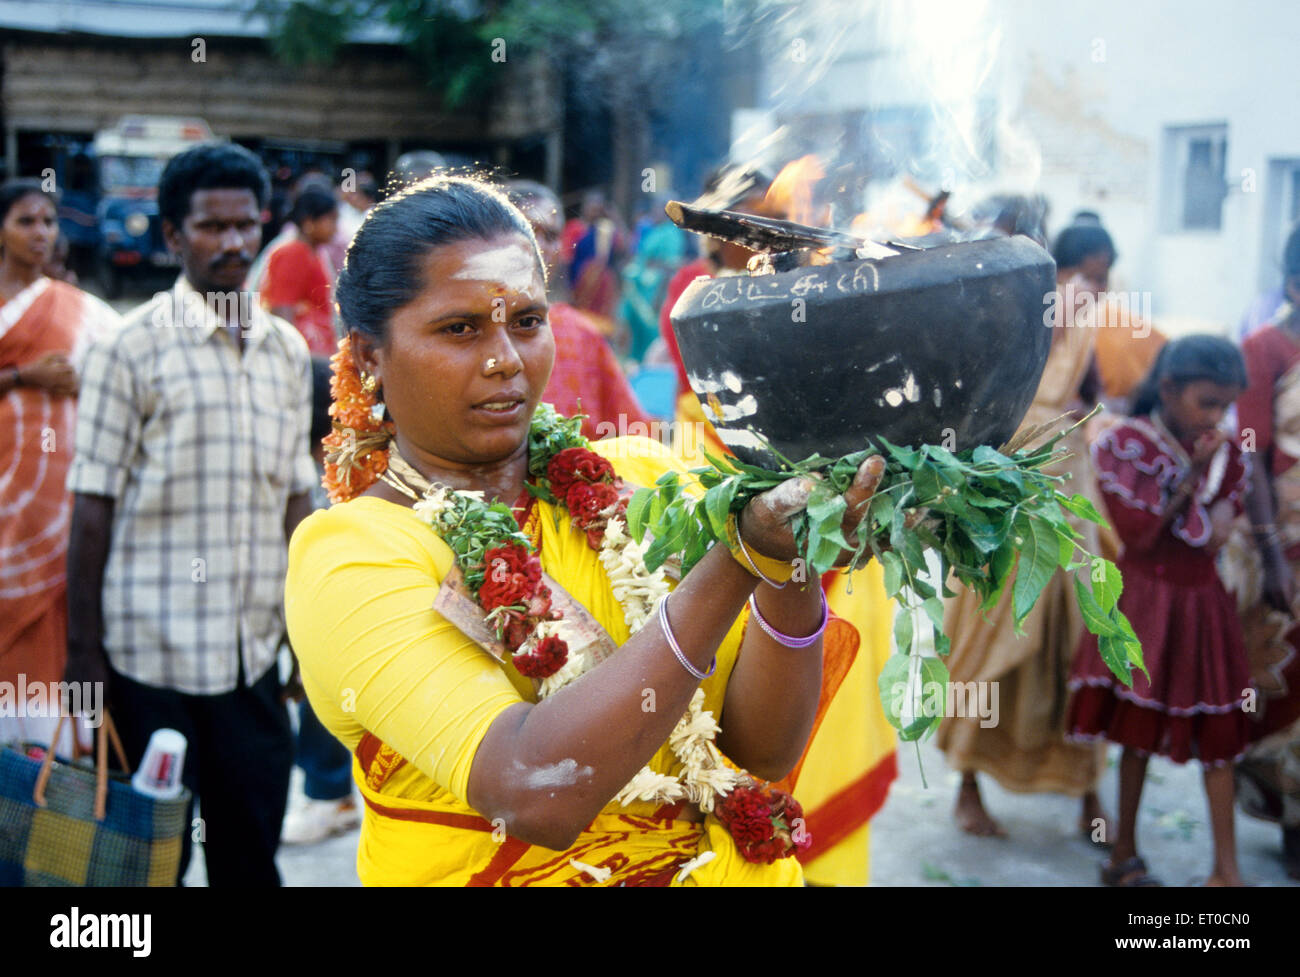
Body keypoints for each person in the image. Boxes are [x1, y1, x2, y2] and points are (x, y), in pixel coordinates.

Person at [284, 175, 887, 885]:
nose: (505, 357)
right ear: (367, 359)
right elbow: (533, 787)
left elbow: (763, 751)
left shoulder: (644, 479)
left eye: (527, 321)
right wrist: (737, 561)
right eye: (460, 328)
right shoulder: (352, 555)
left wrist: (790, 565)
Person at [64, 142, 316, 886]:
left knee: (249, 860)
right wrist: (84, 659)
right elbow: (91, 504)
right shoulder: (129, 347)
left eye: (246, 225)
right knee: (146, 870)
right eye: (211, 227)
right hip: (149, 663)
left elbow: (298, 496)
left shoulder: (286, 350)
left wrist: (308, 627)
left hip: (251, 662)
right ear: (173, 235)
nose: (234, 243)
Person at [937, 233, 1111, 840]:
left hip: (1048, 491)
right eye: (1092, 274)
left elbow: (1088, 397)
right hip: (1024, 494)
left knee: (1055, 644)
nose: (1094, 289)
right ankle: (981, 788)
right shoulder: (1044, 314)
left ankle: (1080, 793)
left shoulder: (1052, 315)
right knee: (1022, 644)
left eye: (1103, 279)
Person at [1068, 336, 1251, 886]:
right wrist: (1192, 478)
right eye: (1207, 403)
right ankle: (1122, 853)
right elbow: (1140, 535)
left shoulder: (1224, 452)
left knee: (1217, 732)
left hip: (1201, 603)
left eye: (1225, 406)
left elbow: (1217, 532)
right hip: (1147, 603)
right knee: (1137, 732)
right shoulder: (1126, 445)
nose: (1217, 417)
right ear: (1168, 389)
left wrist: (1214, 489)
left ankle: (1226, 870)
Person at [0, 179, 117, 749]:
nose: (41, 233)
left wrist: (78, 381)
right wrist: (23, 377)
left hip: (52, 494)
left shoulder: (75, 308)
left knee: (51, 603)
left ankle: (50, 748)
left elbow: (120, 378)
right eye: (26, 221)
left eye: (48, 221)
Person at [1227, 223, 1300, 879]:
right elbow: (1248, 457)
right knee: (1283, 683)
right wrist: (1274, 554)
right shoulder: (1265, 348)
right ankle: (1291, 820)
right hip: (1283, 542)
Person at [280, 357, 360, 844]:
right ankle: (329, 791)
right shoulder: (325, 467)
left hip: (328, 609)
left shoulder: (332, 476)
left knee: (319, 684)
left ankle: (331, 794)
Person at [508, 180, 654, 442]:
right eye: (526, 231)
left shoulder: (580, 332)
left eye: (550, 237)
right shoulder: (460, 330)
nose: (538, 247)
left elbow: (636, 433)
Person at [259, 185, 340, 357]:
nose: (336, 228)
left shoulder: (314, 251)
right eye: (331, 220)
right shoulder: (293, 252)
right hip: (301, 354)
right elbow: (282, 310)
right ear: (309, 222)